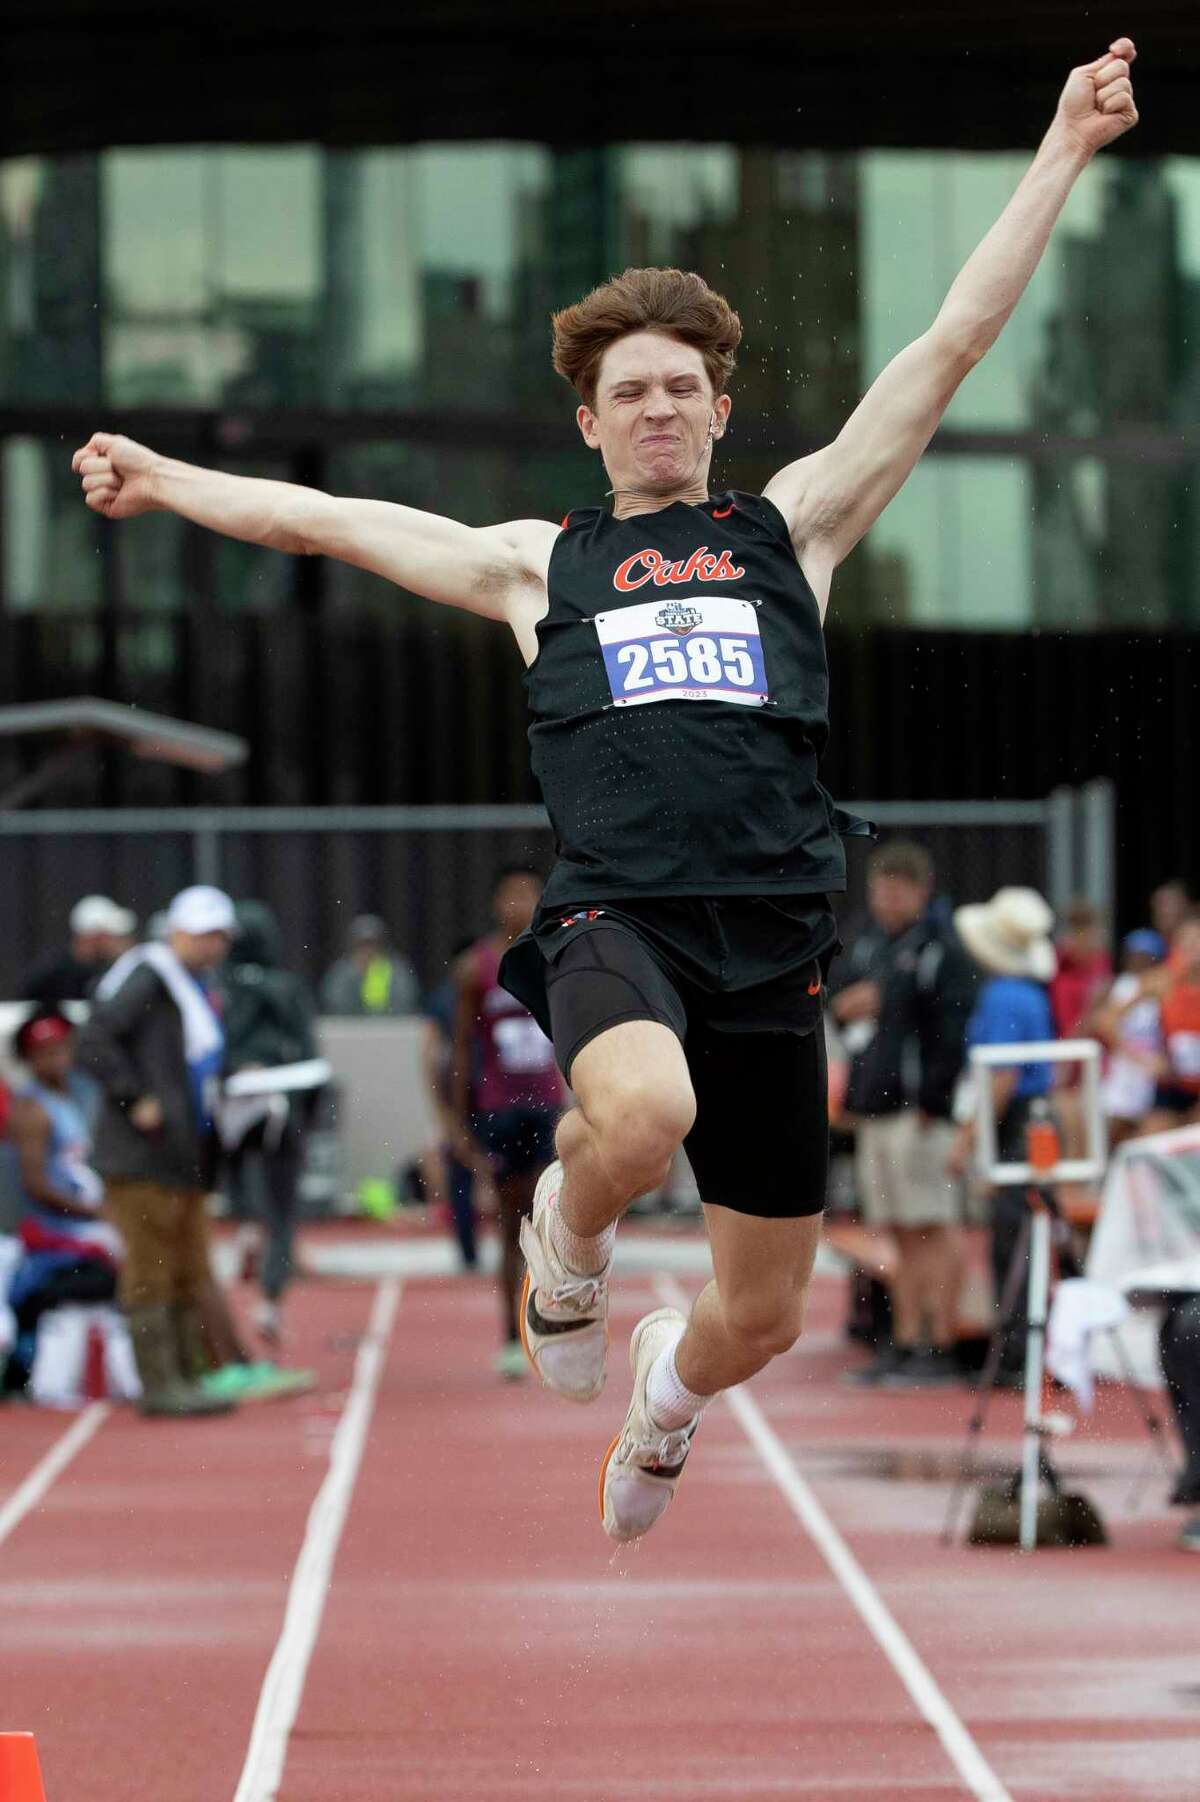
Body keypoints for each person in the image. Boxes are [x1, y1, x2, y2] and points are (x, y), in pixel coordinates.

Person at [69, 41, 1138, 1537]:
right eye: (627, 391)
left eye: (680, 389)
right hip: (615, 917)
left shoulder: (798, 531)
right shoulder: (537, 564)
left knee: (761, 1311)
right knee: (639, 1112)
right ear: (588, 421)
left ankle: (667, 1393)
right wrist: (170, 478)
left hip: (773, 937)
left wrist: (1064, 145)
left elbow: (950, 345)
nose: (654, 409)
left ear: (717, 409)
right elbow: (325, 521)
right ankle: (561, 1245)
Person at [77, 885, 238, 1417]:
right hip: (141, 1155)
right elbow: (95, 1040)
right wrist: (135, 1097)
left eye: (219, 936)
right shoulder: (148, 974)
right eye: (203, 934)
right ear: (177, 932)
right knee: (152, 1266)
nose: (213, 946)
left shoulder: (191, 983)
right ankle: (160, 1383)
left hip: (182, 1155)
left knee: (188, 1266)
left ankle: (188, 1375)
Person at [831, 842, 976, 1386]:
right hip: (877, 1110)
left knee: (932, 1227)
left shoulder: (941, 950)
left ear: (921, 891)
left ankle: (938, 1344)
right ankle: (904, 1339)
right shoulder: (870, 946)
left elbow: (952, 1032)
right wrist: (845, 1008)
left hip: (919, 1113)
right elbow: (845, 1008)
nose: (887, 900)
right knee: (896, 1230)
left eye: (898, 889)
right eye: (880, 889)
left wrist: (935, 1105)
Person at [453, 867, 562, 1378]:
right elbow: (459, 1049)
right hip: (500, 1107)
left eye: (529, 893)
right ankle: (509, 1335)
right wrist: (459, 1123)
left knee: (552, 1222)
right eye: (511, 893)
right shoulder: (476, 967)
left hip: (545, 1104)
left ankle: (551, 1323)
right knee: (510, 1225)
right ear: (496, 901)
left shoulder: (558, 954)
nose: (520, 903)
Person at [950, 888, 1058, 1384]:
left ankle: (1016, 1354)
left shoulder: (1002, 996)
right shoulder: (1031, 993)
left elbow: (1002, 1076)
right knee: (1030, 1233)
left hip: (1017, 1123)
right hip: (1037, 1120)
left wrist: (970, 1140)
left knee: (1013, 1237)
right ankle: (1026, 1348)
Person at [219, 901, 321, 1345]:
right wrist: (309, 1115)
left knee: (234, 1186)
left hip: (230, 1107)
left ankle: (243, 1220)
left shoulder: (218, 988)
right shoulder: (286, 988)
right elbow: (307, 1049)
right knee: (281, 1213)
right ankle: (269, 1302)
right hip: (280, 1105)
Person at [4, 1009, 120, 1391]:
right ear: (29, 1059)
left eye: (62, 1050)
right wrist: (97, 1213)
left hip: (85, 1226)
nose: (57, 1060)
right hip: (56, 1237)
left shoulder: (71, 1097)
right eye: (46, 1053)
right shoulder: (32, 1108)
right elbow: (36, 1187)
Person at [1087, 928, 1167, 1148]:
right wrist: (1136, 1057)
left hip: (1153, 1072)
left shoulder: (1163, 985)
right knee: (1114, 1130)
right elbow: (1104, 1023)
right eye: (1135, 955)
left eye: (1145, 956)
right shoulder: (1123, 985)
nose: (1139, 961)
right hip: (1125, 1070)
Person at [1135, 912, 1200, 1135]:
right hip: (1171, 1085)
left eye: (1198, 942)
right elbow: (1107, 1020)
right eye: (1188, 943)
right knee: (1152, 1136)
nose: (1194, 950)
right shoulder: (1162, 981)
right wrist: (1142, 1058)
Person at [21, 895, 138, 1005]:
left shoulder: (111, 969)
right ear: (91, 937)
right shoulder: (51, 975)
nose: (114, 941)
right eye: (107, 936)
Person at [320, 915, 419, 1017]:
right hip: (350, 1028)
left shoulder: (397, 971)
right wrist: (356, 975)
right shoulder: (341, 972)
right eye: (361, 944)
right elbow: (335, 1004)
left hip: (389, 1027)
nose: (367, 950)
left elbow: (405, 1003)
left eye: (372, 944)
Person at [1049, 899, 1112, 1041]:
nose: (1080, 938)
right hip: (1070, 1053)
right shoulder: (1057, 969)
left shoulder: (1101, 964)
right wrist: (1093, 1008)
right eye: (1075, 929)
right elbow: (1069, 1041)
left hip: (1096, 1056)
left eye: (1087, 928)